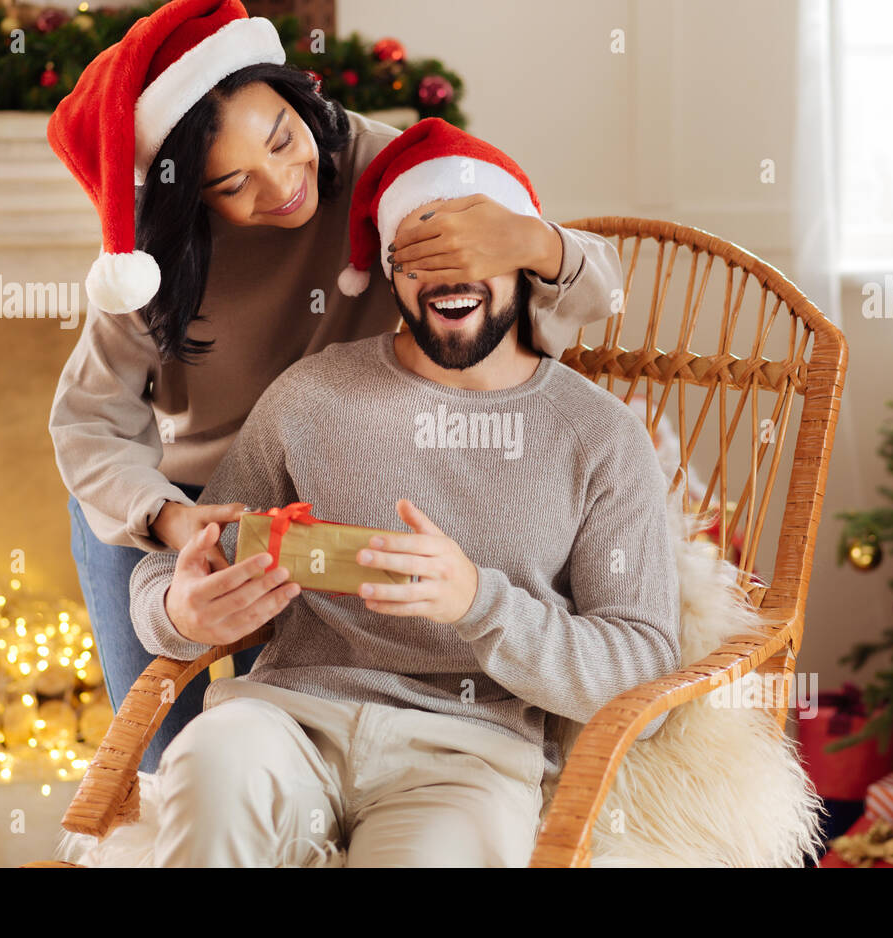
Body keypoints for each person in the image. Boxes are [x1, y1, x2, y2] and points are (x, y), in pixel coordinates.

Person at [46, 0, 625, 772]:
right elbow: (88, 425)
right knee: (160, 769)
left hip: (324, 498)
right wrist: (168, 522)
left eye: (284, 139)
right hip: (184, 509)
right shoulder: (154, 255)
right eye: (233, 182)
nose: (283, 183)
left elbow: (592, 300)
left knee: (285, 746)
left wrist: (533, 239)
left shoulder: (387, 168)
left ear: (296, 97)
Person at [128, 119, 680, 867]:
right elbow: (175, 569)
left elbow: (644, 670)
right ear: (388, 271)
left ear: (523, 258)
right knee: (209, 766)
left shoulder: (601, 436)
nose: (448, 280)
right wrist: (179, 608)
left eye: (471, 252)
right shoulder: (312, 396)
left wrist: (479, 602)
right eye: (418, 258)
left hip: (470, 758)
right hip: (285, 723)